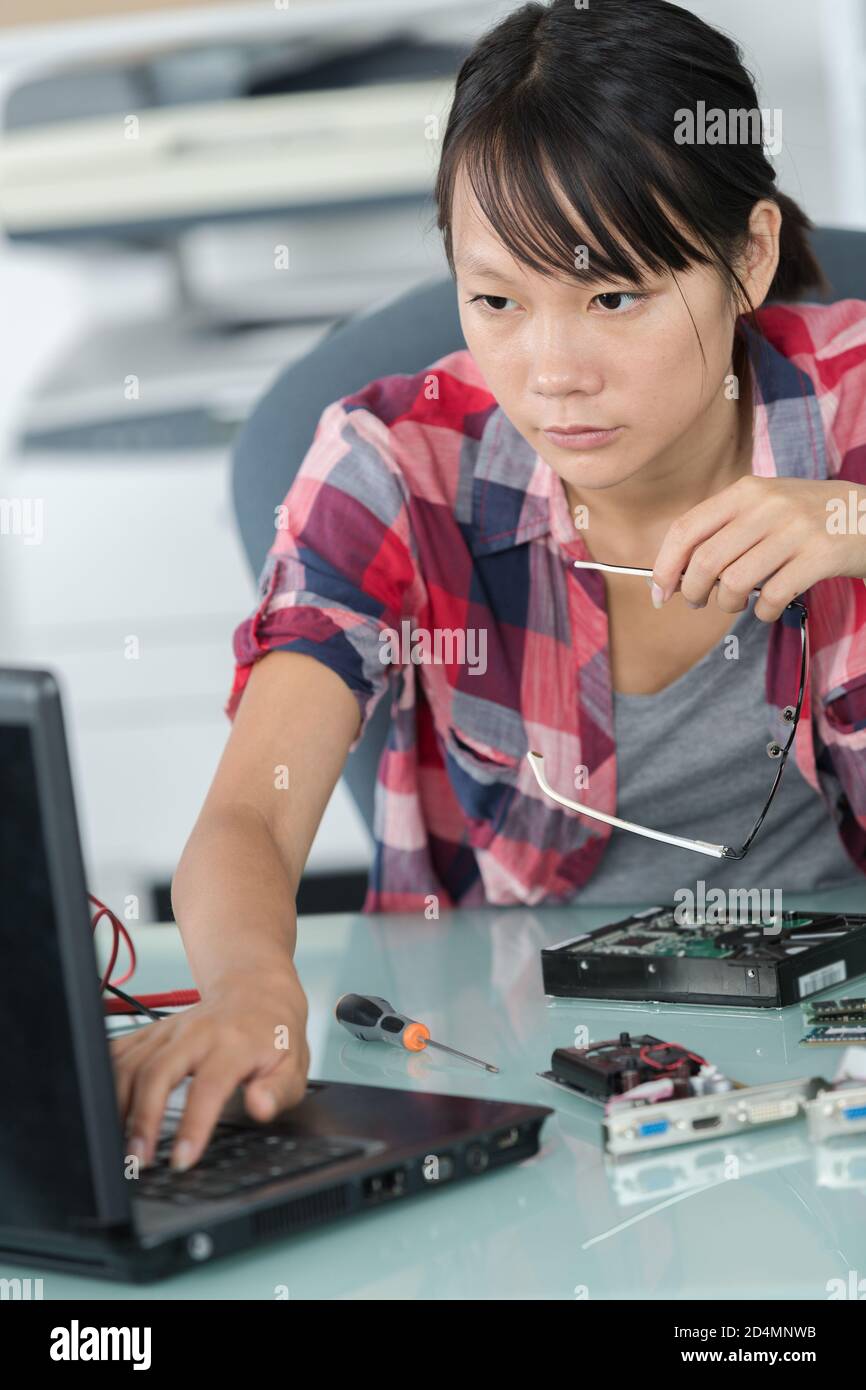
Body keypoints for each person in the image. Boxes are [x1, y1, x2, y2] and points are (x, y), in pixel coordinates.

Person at [112, 0, 866, 1173]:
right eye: (497, 302)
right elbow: (255, 806)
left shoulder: (851, 402)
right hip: (521, 1072)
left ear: (747, 257)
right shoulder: (395, 465)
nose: (551, 372)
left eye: (612, 297)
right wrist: (254, 986)